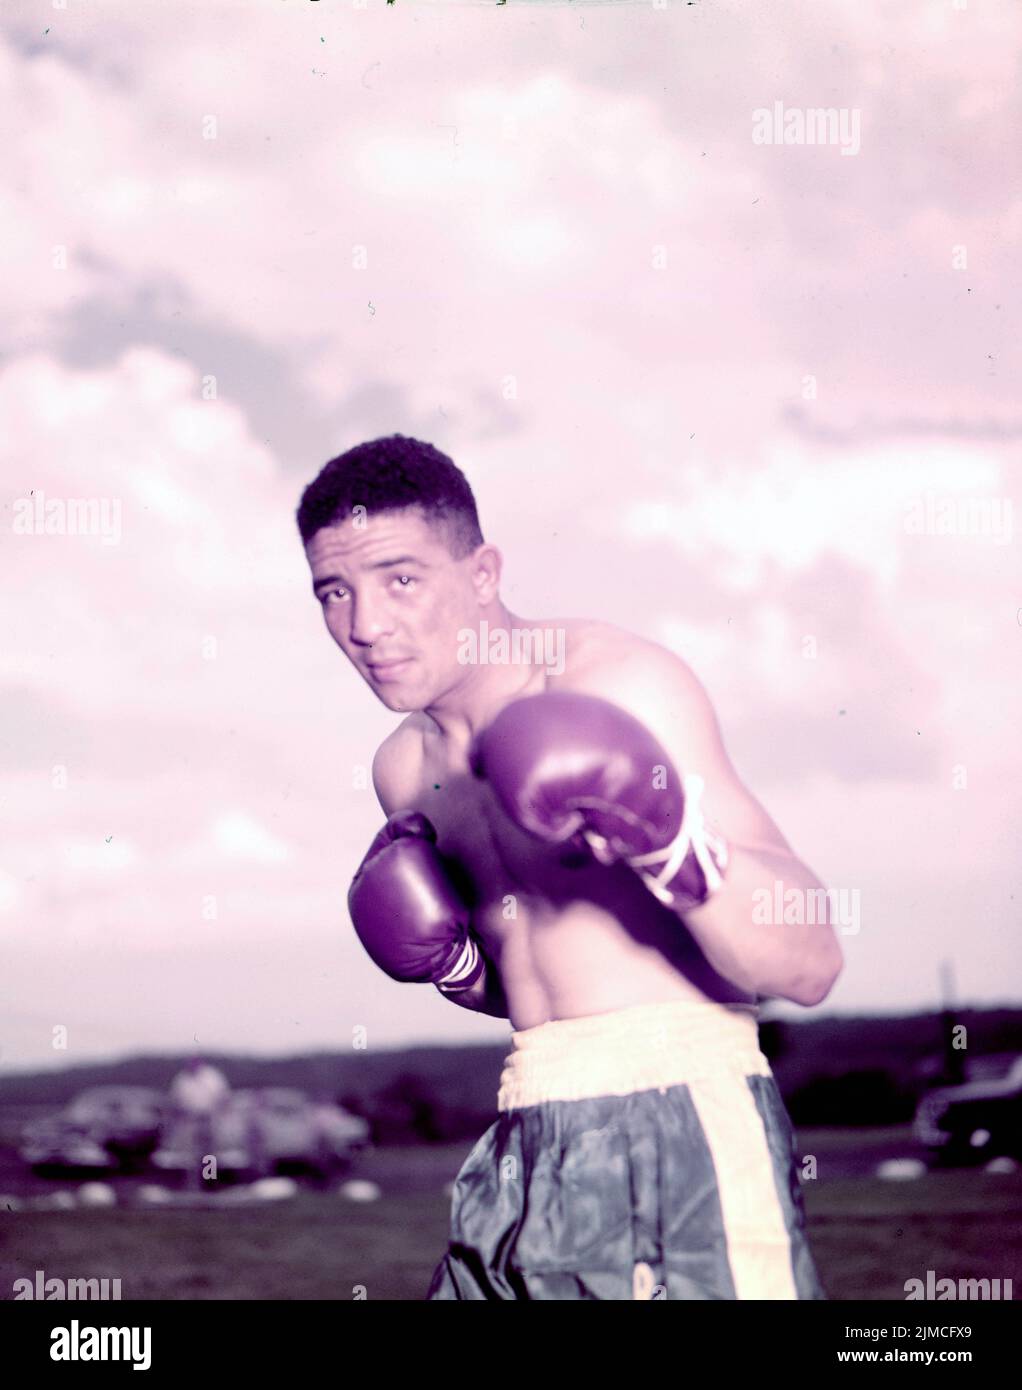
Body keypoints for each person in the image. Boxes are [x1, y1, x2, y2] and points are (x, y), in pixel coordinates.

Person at [296, 434, 843, 1300]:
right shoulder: (402, 769)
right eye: (336, 591)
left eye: (401, 580)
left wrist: (672, 843)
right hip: (523, 1131)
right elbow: (545, 988)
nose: (365, 626)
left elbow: (810, 963)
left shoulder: (615, 685)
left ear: (483, 575)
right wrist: (464, 971)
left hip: (680, 1125)